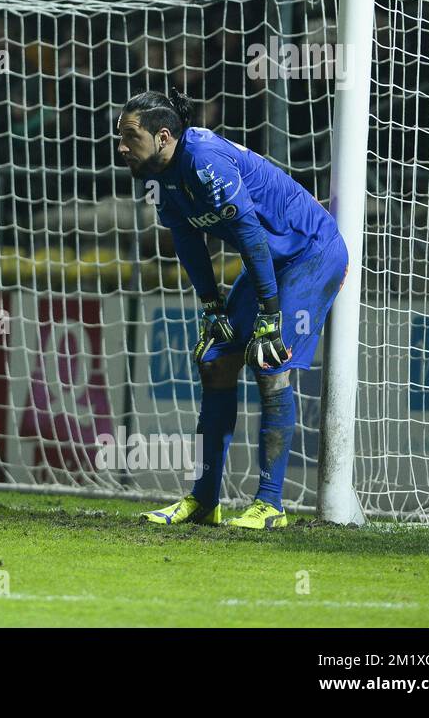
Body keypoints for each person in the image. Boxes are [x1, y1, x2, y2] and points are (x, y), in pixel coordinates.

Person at [116, 88, 348, 529]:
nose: (121, 146)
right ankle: (203, 500)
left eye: (130, 136)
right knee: (215, 362)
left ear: (163, 136)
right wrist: (211, 305)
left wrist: (269, 312)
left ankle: (270, 504)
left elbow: (252, 235)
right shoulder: (160, 178)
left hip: (308, 251)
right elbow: (187, 241)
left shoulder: (205, 160)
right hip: (270, 258)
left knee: (267, 360)